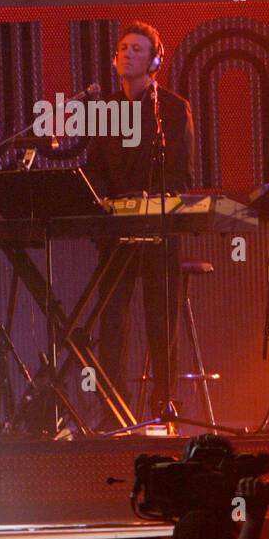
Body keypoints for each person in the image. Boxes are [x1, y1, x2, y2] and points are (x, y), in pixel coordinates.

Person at [85, 21, 194, 423]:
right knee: (112, 322)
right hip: (115, 231)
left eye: (138, 49)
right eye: (124, 48)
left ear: (154, 61)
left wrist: (149, 200)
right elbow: (93, 167)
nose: (129, 54)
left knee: (160, 320)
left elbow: (181, 174)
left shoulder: (171, 108)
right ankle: (114, 411)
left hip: (158, 229)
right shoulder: (104, 110)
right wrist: (104, 200)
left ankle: (164, 405)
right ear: (115, 59)